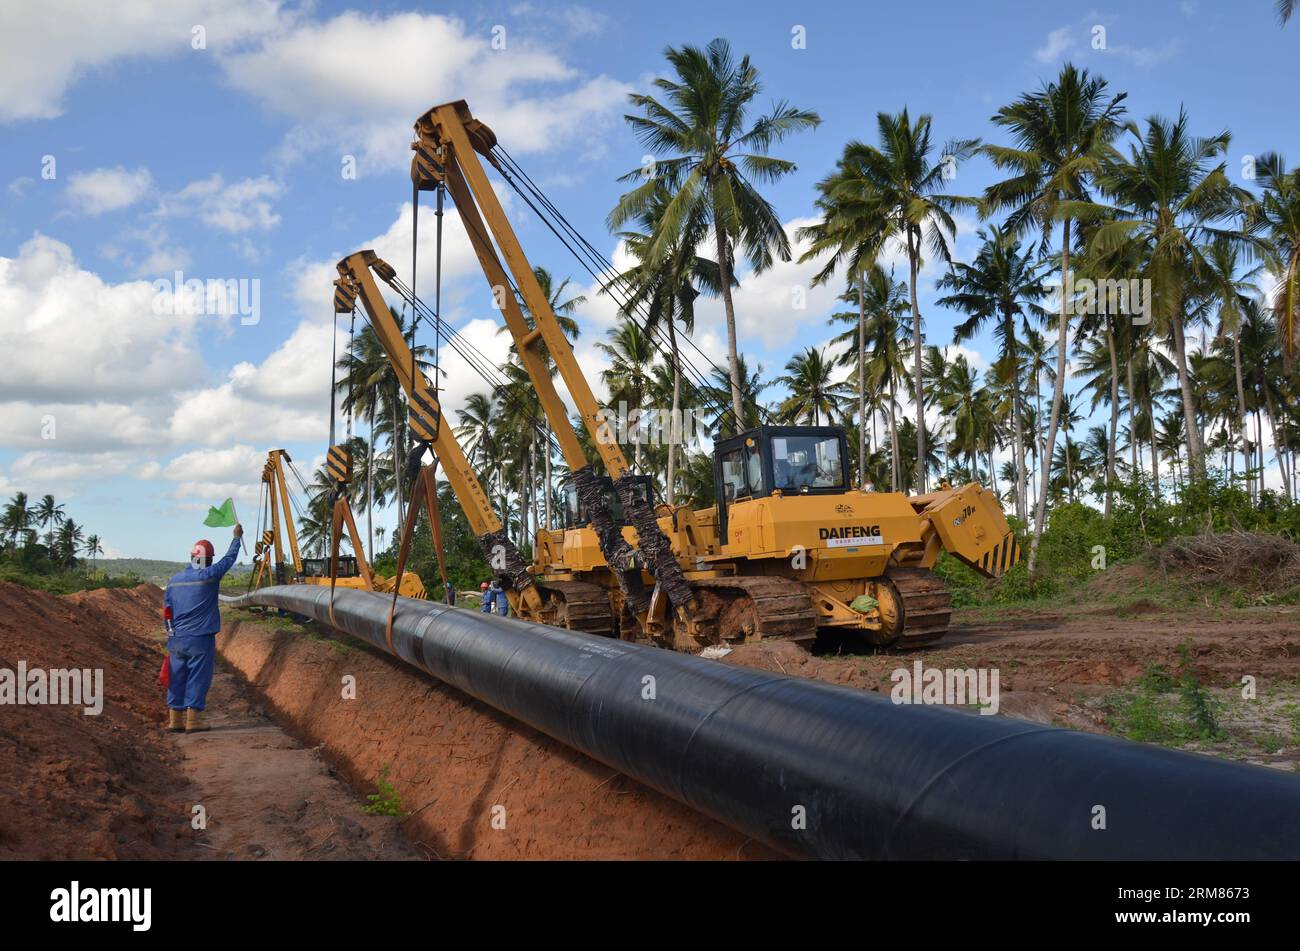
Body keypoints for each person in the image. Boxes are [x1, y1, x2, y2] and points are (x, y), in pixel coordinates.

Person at [162, 525, 242, 733]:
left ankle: (174, 721)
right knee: (198, 676)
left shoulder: (173, 581)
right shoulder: (209, 576)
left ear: (192, 557)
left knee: (177, 676)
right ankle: (193, 721)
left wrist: (171, 634)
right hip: (200, 638)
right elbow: (228, 560)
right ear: (208, 560)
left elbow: (167, 612)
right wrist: (236, 538)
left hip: (177, 638)